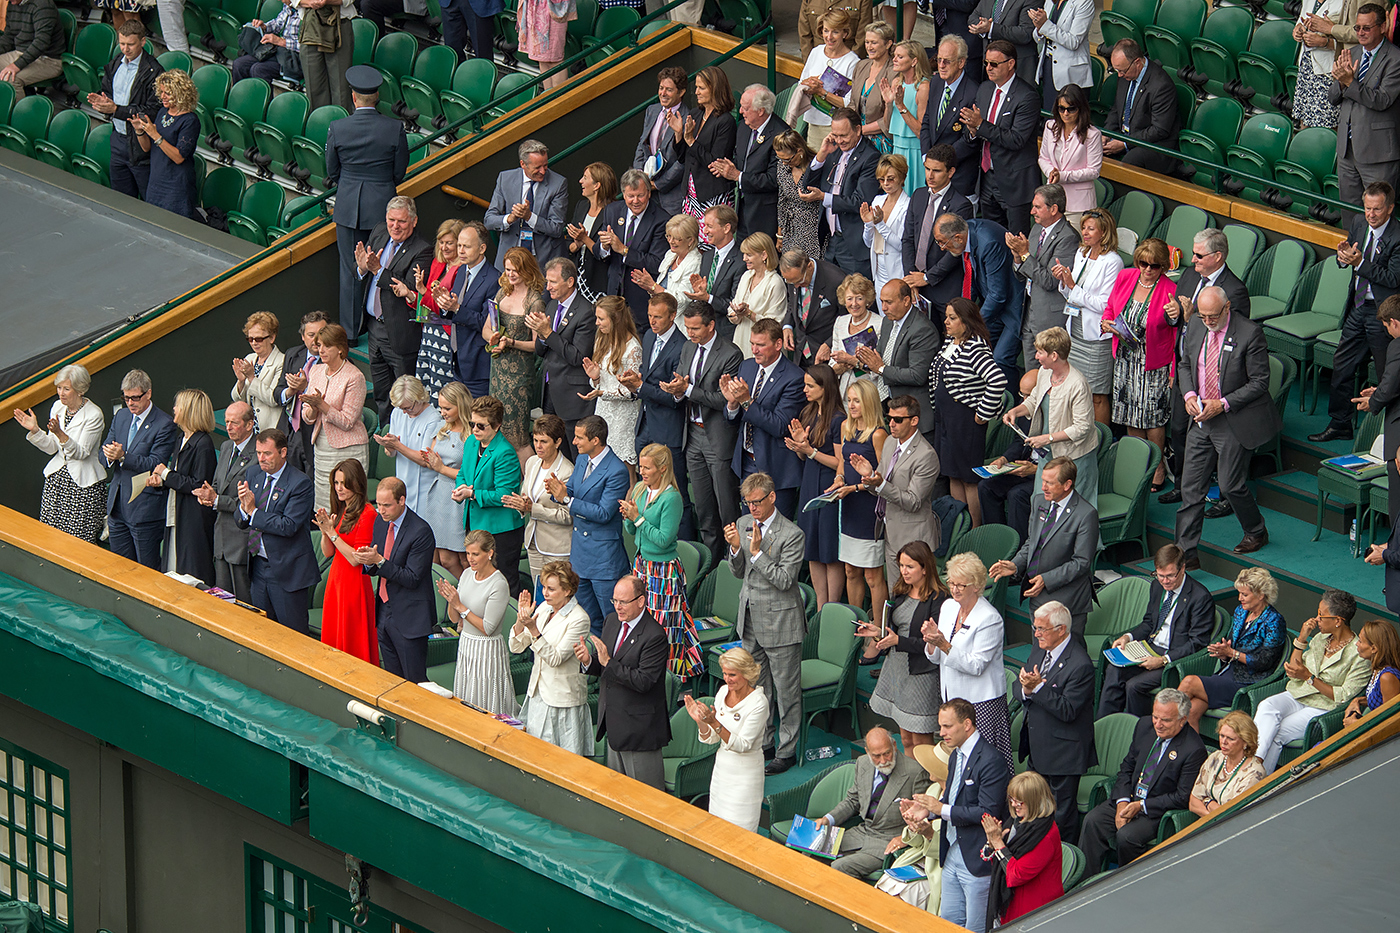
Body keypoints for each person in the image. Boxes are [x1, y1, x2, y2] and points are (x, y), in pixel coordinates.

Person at [1175, 287, 1281, 562]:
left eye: (1212, 316)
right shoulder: (1196, 325)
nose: (1207, 321)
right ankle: (1186, 553)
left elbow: (1259, 382)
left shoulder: (1249, 333)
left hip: (1233, 418)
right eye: (1203, 315)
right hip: (1200, 417)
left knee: (1230, 484)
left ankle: (1256, 530)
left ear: (1227, 308)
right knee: (1191, 487)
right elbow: (1185, 364)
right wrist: (1188, 395)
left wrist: (1221, 404)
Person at [726, 471, 807, 775]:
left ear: (772, 497)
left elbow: (786, 581)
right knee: (759, 688)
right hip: (750, 619)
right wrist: (735, 549)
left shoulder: (791, 534)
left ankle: (786, 751)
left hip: (781, 624)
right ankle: (766, 741)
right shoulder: (745, 523)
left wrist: (757, 554)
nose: (752, 509)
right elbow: (738, 572)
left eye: (757, 502)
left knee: (786, 692)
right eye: (747, 503)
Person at [1077, 690, 1207, 873]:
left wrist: (1141, 806)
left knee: (1127, 836)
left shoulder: (1193, 749)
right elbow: (1127, 768)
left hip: (1156, 810)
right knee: (1093, 820)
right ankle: (1085, 885)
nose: (1158, 725)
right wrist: (1122, 802)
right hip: (1130, 798)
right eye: (1155, 717)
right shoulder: (1145, 726)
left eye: (1166, 720)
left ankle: (1127, 884)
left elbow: (1182, 797)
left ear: (1182, 720)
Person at [1311, 182, 1400, 445]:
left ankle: (1387, 435)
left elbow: (1393, 278)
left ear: (1390, 208)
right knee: (1342, 366)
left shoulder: (1398, 236)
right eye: (1367, 207)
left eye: (1377, 209)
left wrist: (1360, 262)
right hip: (1358, 307)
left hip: (1384, 315)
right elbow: (1350, 252)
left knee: (1388, 376)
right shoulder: (1359, 223)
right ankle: (1340, 424)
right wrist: (1343, 257)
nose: (1371, 214)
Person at [1254, 591, 1370, 771]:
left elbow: (1343, 696)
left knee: (1278, 732)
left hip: (1323, 706)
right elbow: (1294, 670)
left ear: (1338, 621)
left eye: (1322, 615)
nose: (1317, 619)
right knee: (1267, 706)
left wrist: (1309, 678)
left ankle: (1256, 780)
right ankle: (1254, 762)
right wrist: (1301, 638)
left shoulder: (1358, 654)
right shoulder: (1319, 638)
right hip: (1299, 694)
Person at [1098, 544, 1216, 718]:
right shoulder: (1156, 587)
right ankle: (1104, 728)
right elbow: (1148, 623)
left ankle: (1138, 732)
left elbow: (1197, 643)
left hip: (1174, 658)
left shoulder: (1200, 597)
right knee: (1114, 671)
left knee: (1134, 686)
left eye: (1169, 576)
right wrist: (1127, 637)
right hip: (1149, 648)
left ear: (1182, 569)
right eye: (1160, 575)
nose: (1165, 581)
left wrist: (1162, 660)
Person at [576, 575, 672, 789]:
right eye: (615, 601)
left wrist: (607, 662)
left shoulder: (654, 636)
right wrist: (588, 661)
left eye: (623, 602)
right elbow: (605, 668)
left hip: (639, 733)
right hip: (614, 725)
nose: (618, 607)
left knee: (645, 799)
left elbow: (644, 681)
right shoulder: (612, 621)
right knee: (616, 794)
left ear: (640, 601)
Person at [666, 302, 743, 563]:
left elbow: (725, 400)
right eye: (687, 327)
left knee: (726, 508)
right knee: (704, 508)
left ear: (711, 325)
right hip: (692, 435)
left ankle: (733, 565)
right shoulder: (688, 348)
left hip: (718, 438)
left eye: (696, 328)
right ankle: (710, 569)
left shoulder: (731, 353)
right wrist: (678, 390)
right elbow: (684, 384)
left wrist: (687, 391)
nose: (690, 333)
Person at [1013, 601, 1096, 843]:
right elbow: (1019, 685)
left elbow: (1068, 709)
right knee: (1031, 808)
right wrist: (1027, 690)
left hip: (1064, 755)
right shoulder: (1039, 649)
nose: (1036, 633)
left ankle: (1064, 861)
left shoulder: (1080, 665)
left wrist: (1037, 687)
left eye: (1042, 629)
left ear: (1061, 630)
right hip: (1038, 748)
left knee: (1061, 816)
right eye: (1035, 627)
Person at [620, 444, 703, 681]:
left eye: (647, 468)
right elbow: (633, 532)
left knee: (665, 627)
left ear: (662, 468)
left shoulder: (672, 498)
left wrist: (638, 519)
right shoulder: (638, 488)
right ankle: (643, 673)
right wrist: (628, 516)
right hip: (641, 566)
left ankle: (670, 680)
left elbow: (664, 540)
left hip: (663, 571)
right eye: (640, 466)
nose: (642, 472)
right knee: (640, 622)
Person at [925, 553, 1013, 772]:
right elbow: (937, 658)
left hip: (981, 704)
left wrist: (944, 644)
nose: (954, 589)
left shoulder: (989, 619)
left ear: (977, 586)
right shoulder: (948, 607)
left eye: (961, 585)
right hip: (952, 699)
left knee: (983, 768)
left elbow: (976, 665)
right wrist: (931, 642)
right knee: (959, 765)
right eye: (952, 582)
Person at [990, 457, 1098, 634]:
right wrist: (1016, 564)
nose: (1043, 487)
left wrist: (1047, 580)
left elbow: (1081, 563)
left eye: (1049, 483)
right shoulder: (1039, 501)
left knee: (1068, 654)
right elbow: (1033, 542)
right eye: (1043, 481)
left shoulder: (1086, 514)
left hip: (1067, 598)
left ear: (1067, 484)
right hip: (1038, 593)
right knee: (1040, 652)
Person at [1102, 237, 1176, 491]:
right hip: (1125, 358)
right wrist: (1107, 321)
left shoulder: (1169, 290)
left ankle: (1157, 466)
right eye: (1143, 263)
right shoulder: (1126, 277)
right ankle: (1139, 462)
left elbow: (1177, 335)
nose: (1147, 269)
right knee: (1130, 413)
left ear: (1163, 267)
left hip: (1153, 362)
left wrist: (1173, 370)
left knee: (1152, 417)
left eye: (1153, 265)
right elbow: (1111, 307)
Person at [547, 416, 632, 636]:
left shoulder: (616, 471)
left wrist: (567, 499)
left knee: (611, 620)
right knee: (586, 617)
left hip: (604, 559)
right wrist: (558, 491)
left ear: (595, 440)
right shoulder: (583, 459)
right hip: (580, 556)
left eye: (579, 437)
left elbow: (604, 513)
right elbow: (573, 491)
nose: (573, 442)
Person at [861, 542, 947, 754]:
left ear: (925, 568)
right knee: (906, 740)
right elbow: (895, 630)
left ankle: (927, 784)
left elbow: (932, 643)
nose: (903, 571)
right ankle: (912, 784)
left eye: (910, 566)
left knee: (921, 743)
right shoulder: (900, 591)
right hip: (897, 670)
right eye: (901, 565)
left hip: (921, 674)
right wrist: (878, 632)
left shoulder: (939, 598)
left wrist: (898, 641)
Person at [934, 697, 1011, 933]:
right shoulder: (956, 755)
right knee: (948, 922)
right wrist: (927, 811)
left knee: (975, 928)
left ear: (967, 725)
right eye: (941, 726)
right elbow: (951, 800)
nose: (941, 732)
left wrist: (941, 810)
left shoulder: (991, 760)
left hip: (977, 859)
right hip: (952, 850)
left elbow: (987, 812)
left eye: (947, 727)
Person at [355, 195, 432, 426]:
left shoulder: (423, 250)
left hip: (399, 333)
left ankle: (405, 436)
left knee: (405, 396)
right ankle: (386, 435)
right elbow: (363, 270)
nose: (395, 226)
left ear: (414, 221)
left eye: (401, 222)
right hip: (373, 328)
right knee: (381, 394)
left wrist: (378, 270)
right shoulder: (379, 232)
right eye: (391, 220)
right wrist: (361, 268)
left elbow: (407, 288)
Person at [1178, 568, 1288, 729]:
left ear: (1261, 595)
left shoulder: (1274, 621)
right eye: (1239, 593)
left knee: (1189, 683)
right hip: (1228, 673)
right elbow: (1230, 645)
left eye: (1244, 594)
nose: (1239, 598)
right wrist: (1223, 652)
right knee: (1192, 712)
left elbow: (1265, 662)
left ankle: (1167, 726)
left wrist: (1233, 654)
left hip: (1250, 682)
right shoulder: (1240, 612)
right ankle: (1192, 753)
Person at [1002, 327, 1098, 506]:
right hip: (1048, 453)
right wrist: (1016, 411)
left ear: (1054, 355)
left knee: (1070, 511)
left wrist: (1048, 438)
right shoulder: (1045, 372)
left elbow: (1083, 427)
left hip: (1073, 459)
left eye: (1040, 352)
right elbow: (1034, 400)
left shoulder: (1078, 384)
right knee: (1040, 503)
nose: (1036, 356)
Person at [933, 297, 1007, 526]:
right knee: (953, 474)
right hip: (946, 420)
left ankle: (975, 527)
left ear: (966, 321)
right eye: (946, 317)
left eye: (952, 318)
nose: (946, 322)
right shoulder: (950, 342)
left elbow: (997, 380)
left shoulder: (976, 346)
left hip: (965, 421)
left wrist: (983, 413)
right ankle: (960, 526)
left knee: (969, 478)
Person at [238, 429, 320, 634]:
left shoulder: (300, 483)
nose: (261, 458)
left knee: (292, 635)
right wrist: (243, 509)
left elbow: (288, 525)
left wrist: (253, 512)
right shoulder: (253, 474)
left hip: (287, 571)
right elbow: (241, 520)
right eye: (258, 453)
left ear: (283, 452)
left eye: (267, 453)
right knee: (262, 629)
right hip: (258, 566)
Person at [722, 319, 807, 517]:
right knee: (748, 528)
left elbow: (779, 425)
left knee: (775, 534)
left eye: (760, 345)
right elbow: (734, 419)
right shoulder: (747, 367)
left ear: (778, 344)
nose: (754, 350)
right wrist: (732, 404)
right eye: (752, 343)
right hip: (746, 462)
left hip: (775, 468)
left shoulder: (794, 377)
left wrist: (746, 401)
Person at [852, 393, 942, 580]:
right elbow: (880, 481)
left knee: (916, 599)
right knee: (896, 596)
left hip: (914, 540)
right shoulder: (890, 442)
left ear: (914, 420)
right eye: (889, 418)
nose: (891, 424)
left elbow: (913, 501)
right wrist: (869, 476)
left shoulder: (926, 455)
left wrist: (881, 484)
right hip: (891, 533)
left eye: (898, 420)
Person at [832, 378, 889, 662]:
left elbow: (883, 477)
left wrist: (854, 487)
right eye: (849, 400)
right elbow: (843, 461)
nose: (852, 406)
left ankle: (877, 634)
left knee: (871, 575)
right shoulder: (845, 426)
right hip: (848, 507)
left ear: (868, 402)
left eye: (857, 400)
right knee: (851, 572)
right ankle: (857, 628)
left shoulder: (878, 433)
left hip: (869, 508)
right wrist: (839, 479)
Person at [816, 727, 925, 877]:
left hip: (887, 841)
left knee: (839, 867)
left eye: (887, 753)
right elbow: (853, 800)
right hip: (862, 831)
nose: (883, 761)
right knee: (812, 850)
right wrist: (828, 819)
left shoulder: (915, 771)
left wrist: (905, 838)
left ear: (894, 745)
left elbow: (924, 816)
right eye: (876, 756)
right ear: (867, 752)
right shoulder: (863, 763)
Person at [16, 364, 106, 545]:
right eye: (59, 388)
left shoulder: (94, 414)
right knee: (49, 538)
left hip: (83, 486)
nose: (61, 393)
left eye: (66, 388)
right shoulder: (58, 407)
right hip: (56, 482)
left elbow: (81, 453)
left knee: (78, 543)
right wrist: (35, 430)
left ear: (80, 389)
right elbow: (52, 448)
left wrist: (59, 433)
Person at [511, 560, 593, 753]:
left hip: (562, 699)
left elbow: (556, 659)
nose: (545, 593)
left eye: (551, 589)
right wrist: (520, 620)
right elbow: (516, 647)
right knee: (535, 752)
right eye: (544, 587)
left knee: (563, 759)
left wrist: (533, 629)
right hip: (538, 693)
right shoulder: (543, 609)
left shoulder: (579, 619)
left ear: (567, 590)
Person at [360, 476, 437, 683]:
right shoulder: (381, 522)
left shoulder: (421, 531)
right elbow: (378, 560)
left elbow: (412, 578)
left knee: (414, 681)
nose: (381, 510)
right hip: (384, 610)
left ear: (402, 501)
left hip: (410, 617)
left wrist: (380, 562)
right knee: (392, 680)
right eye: (378, 504)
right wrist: (369, 561)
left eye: (387, 505)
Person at [101, 369, 179, 569]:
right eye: (126, 398)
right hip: (117, 508)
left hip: (144, 511)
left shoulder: (164, 424)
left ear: (148, 393)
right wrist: (110, 457)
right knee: (120, 568)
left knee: (146, 570)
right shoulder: (121, 416)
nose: (130, 403)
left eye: (135, 397)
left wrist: (124, 457)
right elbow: (104, 451)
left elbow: (156, 463)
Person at [377, 376, 458, 564]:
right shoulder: (398, 413)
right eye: (402, 408)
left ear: (420, 397)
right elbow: (392, 453)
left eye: (408, 407)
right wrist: (388, 446)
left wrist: (397, 445)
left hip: (426, 489)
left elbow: (425, 459)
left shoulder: (434, 419)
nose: (405, 412)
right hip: (403, 483)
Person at [962, 40, 1040, 237]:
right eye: (986, 63)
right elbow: (975, 130)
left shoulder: (1027, 96)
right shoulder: (985, 89)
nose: (988, 68)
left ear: (1011, 63)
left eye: (994, 64)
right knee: (990, 237)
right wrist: (972, 129)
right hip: (987, 177)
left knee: (1016, 240)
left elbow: (1016, 139)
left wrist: (980, 125)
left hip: (1015, 182)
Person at [687, 646, 770, 830]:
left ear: (746, 674)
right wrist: (701, 721)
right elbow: (712, 739)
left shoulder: (759, 703)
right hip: (721, 773)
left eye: (732, 674)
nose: (727, 679)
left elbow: (743, 745)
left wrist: (714, 722)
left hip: (745, 776)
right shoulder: (723, 692)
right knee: (717, 827)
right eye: (725, 673)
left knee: (741, 831)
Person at [452, 396, 526, 598]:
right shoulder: (470, 443)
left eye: (481, 426)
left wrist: (473, 494)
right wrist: (461, 489)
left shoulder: (505, 453)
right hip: (476, 523)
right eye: (472, 424)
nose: (475, 429)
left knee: (503, 581)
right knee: (480, 578)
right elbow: (463, 474)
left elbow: (504, 495)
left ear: (497, 425)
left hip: (500, 531)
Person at [1053, 209, 1121, 425]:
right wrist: (1064, 281)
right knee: (1077, 390)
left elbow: (1104, 304)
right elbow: (1071, 294)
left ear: (1104, 232)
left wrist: (1073, 287)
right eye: (1083, 228)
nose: (1085, 232)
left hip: (1096, 335)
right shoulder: (1081, 253)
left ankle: (1101, 440)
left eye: (1091, 229)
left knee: (1097, 395)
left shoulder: (1113, 261)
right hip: (1075, 329)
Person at [935, 213, 1025, 377]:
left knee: (1001, 359)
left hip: (1014, 308)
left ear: (958, 238)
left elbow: (998, 295)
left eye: (942, 242)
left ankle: (1010, 400)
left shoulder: (988, 243)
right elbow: (972, 279)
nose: (942, 247)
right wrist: (962, 313)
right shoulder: (965, 233)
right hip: (993, 306)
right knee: (978, 351)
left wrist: (971, 323)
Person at [787, 364, 846, 607]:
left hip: (828, 487)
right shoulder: (808, 412)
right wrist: (802, 447)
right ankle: (820, 607)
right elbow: (804, 456)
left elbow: (840, 463)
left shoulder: (839, 419)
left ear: (825, 387)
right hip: (810, 483)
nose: (805, 390)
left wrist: (810, 451)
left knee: (829, 551)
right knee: (812, 548)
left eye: (810, 385)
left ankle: (831, 606)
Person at [439, 529, 516, 714]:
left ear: (489, 553)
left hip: (487, 650)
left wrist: (460, 606)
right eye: (467, 554)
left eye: (475, 554)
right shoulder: (466, 574)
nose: (470, 559)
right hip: (466, 645)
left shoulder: (498, 584)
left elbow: (488, 628)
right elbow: (454, 618)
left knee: (487, 704)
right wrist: (452, 602)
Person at [1330, 4, 1400, 204]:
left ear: (1383, 26)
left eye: (1366, 28)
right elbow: (1332, 98)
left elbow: (1382, 100)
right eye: (1357, 28)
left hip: (1378, 153)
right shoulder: (1352, 53)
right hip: (1347, 149)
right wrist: (1342, 83)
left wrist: (1350, 82)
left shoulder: (1395, 59)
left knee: (1378, 215)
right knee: (1349, 212)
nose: (1360, 32)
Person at [801, 107, 882, 279]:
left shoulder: (870, 157)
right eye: (835, 135)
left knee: (856, 297)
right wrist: (822, 155)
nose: (839, 140)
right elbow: (806, 185)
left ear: (858, 130)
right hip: (831, 239)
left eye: (844, 135)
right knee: (831, 295)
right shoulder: (833, 150)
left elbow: (860, 201)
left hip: (853, 243)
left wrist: (824, 197)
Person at [482, 247, 549, 454]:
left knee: (518, 436)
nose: (510, 274)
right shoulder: (503, 292)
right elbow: (486, 329)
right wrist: (493, 339)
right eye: (507, 269)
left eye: (515, 270)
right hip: (498, 372)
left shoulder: (534, 301)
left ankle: (527, 482)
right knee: (497, 430)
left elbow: (537, 346)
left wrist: (510, 342)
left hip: (519, 376)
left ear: (526, 270)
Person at [149, 388, 217, 584]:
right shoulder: (181, 439)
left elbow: (198, 484)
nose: (174, 409)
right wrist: (162, 480)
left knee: (190, 574)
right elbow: (177, 477)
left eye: (178, 405)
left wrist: (166, 474)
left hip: (191, 519)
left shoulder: (203, 443)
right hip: (175, 514)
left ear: (188, 410)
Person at [313, 459, 378, 663]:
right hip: (336, 582)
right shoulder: (342, 508)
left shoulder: (368, 513)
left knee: (352, 641)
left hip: (354, 585)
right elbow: (328, 553)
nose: (339, 488)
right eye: (336, 483)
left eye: (343, 483)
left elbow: (355, 559)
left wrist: (332, 533)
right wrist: (325, 532)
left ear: (356, 483)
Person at [531, 256, 597, 458]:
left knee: (574, 453)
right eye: (547, 281)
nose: (548, 286)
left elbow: (577, 356)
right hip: (550, 390)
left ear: (570, 281)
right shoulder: (551, 305)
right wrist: (542, 336)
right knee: (554, 453)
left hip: (572, 397)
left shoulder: (586, 312)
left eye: (552, 281)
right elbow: (541, 350)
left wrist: (548, 334)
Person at [300, 323, 369, 513]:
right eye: (319, 345)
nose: (320, 350)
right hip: (322, 447)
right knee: (325, 506)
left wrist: (321, 405)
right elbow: (307, 416)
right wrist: (313, 408)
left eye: (326, 346)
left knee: (348, 508)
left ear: (340, 348)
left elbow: (348, 421)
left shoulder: (355, 377)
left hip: (349, 449)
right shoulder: (315, 371)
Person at [89, 22, 163, 202]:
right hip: (118, 140)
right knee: (121, 200)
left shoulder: (154, 71)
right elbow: (107, 91)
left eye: (130, 44)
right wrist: (103, 101)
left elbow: (152, 111)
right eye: (122, 44)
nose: (125, 49)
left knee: (149, 202)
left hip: (141, 145)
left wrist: (116, 110)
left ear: (143, 41)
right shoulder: (115, 63)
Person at [983, 771, 1064, 926]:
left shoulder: (1046, 834)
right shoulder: (1017, 821)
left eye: (1020, 802)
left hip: (1034, 913)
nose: (1014, 805)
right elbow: (998, 862)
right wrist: (992, 843)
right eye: (1012, 799)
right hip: (1014, 906)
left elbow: (1016, 875)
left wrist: (999, 844)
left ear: (1033, 801)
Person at [504, 414, 574, 592]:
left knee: (557, 595)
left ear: (557, 442)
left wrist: (532, 509)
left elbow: (567, 516)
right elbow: (527, 496)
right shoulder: (532, 462)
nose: (538, 446)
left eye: (544, 441)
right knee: (539, 594)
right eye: (535, 440)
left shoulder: (567, 471)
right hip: (533, 541)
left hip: (557, 547)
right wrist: (522, 505)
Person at [1012, 185, 1080, 368]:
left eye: (1038, 207)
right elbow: (1024, 273)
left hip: (1049, 320)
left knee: (1048, 375)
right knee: (1030, 374)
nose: (1032, 211)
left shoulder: (1068, 238)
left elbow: (1050, 281)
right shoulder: (1036, 229)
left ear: (1054, 209)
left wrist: (1025, 255)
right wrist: (1018, 258)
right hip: (1028, 312)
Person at [195, 401, 256, 601]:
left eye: (234, 423)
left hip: (241, 541)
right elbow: (216, 484)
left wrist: (217, 500)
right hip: (221, 539)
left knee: (244, 602)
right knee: (223, 601)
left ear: (249, 424)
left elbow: (250, 504)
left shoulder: (259, 455)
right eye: (227, 422)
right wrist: (208, 495)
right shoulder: (226, 446)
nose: (228, 427)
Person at [594, 169, 669, 332]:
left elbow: (657, 263)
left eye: (640, 195)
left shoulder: (661, 220)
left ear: (649, 193)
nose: (635, 201)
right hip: (613, 301)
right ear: (623, 194)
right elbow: (597, 250)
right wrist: (604, 247)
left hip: (640, 306)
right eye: (630, 196)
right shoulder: (612, 211)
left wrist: (624, 250)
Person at [902, 146, 975, 309]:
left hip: (944, 289)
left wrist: (927, 277)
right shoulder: (918, 195)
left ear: (950, 172)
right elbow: (907, 238)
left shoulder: (961, 205)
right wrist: (911, 278)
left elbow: (956, 250)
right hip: (916, 286)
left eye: (937, 170)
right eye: (927, 169)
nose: (930, 175)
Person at [484, 139, 570, 270]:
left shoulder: (558, 184)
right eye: (537, 168)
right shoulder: (505, 179)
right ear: (523, 164)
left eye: (545, 165)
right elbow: (489, 220)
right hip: (510, 259)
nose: (543, 171)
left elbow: (556, 228)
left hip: (543, 260)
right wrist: (510, 218)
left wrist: (529, 217)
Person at [669, 66, 737, 228]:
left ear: (715, 89)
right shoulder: (696, 113)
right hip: (690, 192)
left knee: (709, 244)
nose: (696, 92)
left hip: (712, 195)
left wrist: (691, 140)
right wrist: (679, 134)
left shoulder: (725, 121)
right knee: (689, 242)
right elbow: (684, 157)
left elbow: (715, 163)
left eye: (701, 88)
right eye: (696, 87)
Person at [1103, 39, 1183, 177]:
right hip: (1127, 136)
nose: (1120, 75)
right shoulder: (1125, 74)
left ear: (1137, 63)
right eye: (1117, 70)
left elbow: (1159, 130)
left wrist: (1125, 143)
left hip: (1155, 144)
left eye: (1122, 70)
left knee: (1130, 162)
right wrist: (1107, 134)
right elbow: (1117, 108)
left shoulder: (1161, 86)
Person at [404, 219, 464, 399]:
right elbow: (427, 302)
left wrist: (422, 291)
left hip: (446, 336)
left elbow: (443, 308)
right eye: (441, 242)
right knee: (425, 385)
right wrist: (412, 295)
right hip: (428, 333)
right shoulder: (438, 263)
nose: (444, 247)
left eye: (449, 243)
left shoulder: (462, 269)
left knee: (443, 391)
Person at [584, 296, 643, 477]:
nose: (597, 323)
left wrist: (602, 392)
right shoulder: (602, 339)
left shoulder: (633, 348)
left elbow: (631, 391)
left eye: (601, 319)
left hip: (623, 418)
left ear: (615, 318)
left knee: (625, 472)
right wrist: (595, 379)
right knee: (601, 466)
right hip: (603, 411)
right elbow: (599, 380)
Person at [417, 381, 471, 577]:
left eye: (447, 408)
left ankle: (462, 594)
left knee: (454, 558)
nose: (442, 412)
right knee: (434, 556)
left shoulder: (470, 435)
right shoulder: (442, 428)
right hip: (437, 495)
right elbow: (430, 455)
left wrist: (441, 467)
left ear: (461, 406)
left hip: (458, 497)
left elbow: (471, 475)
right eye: (440, 407)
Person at [978, 372, 1041, 539]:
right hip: (1024, 465)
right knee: (986, 487)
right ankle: (996, 539)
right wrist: (1004, 459)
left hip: (1044, 472)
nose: (1025, 400)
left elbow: (1063, 459)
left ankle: (1017, 549)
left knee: (1017, 494)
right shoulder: (1024, 409)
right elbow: (1018, 442)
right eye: (1022, 394)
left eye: (1029, 394)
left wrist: (1035, 469)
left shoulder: (1055, 414)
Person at [1355, 297, 1400, 524]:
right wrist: (1380, 390)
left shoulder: (1398, 345)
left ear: (1395, 322)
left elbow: (1392, 382)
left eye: (1387, 328)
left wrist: (1372, 402)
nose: (1389, 334)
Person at [920, 36, 982, 199]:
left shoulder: (973, 93)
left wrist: (941, 162)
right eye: (938, 59)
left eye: (947, 61)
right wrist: (927, 156)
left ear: (961, 63)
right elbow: (927, 121)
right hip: (934, 176)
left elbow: (970, 140)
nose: (940, 65)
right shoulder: (936, 83)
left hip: (958, 179)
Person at [133, 70, 199, 219]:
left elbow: (179, 157)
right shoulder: (162, 112)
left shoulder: (190, 120)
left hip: (176, 185)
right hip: (156, 180)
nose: (162, 96)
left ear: (181, 93)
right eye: (161, 92)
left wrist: (155, 134)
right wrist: (140, 131)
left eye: (168, 93)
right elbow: (147, 148)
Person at [1038, 84, 1101, 231]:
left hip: (1079, 204)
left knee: (1073, 246)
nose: (1065, 113)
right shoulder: (1050, 126)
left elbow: (1094, 171)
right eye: (1061, 108)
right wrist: (1051, 173)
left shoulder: (1093, 134)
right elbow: (1043, 158)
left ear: (1080, 108)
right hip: (1053, 199)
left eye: (1071, 109)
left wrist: (1063, 176)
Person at [796, 10, 862, 151]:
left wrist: (821, 92)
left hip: (838, 128)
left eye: (835, 32)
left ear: (845, 33)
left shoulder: (853, 62)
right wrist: (808, 83)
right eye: (826, 31)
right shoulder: (816, 52)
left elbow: (849, 102)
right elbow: (800, 83)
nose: (829, 37)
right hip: (813, 122)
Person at [276, 310, 329, 480]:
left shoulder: (333, 359)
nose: (316, 340)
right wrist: (290, 391)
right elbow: (278, 393)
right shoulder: (293, 354)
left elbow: (331, 400)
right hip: (289, 430)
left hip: (314, 433)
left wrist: (306, 387)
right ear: (303, 337)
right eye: (311, 335)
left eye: (321, 334)